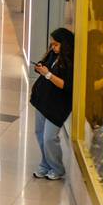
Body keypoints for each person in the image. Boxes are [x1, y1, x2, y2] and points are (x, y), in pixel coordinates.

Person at [30, 27, 74, 181]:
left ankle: (57, 167)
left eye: (56, 44)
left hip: (58, 106)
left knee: (49, 137)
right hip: (42, 100)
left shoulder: (70, 62)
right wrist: (41, 68)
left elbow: (66, 85)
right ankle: (45, 164)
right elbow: (44, 65)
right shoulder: (53, 54)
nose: (53, 47)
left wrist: (47, 74)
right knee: (40, 134)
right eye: (52, 44)